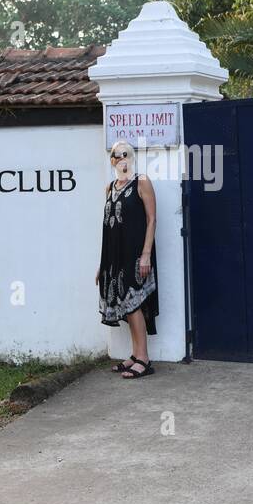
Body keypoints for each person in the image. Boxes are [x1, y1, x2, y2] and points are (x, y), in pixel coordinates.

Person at [95, 140, 158, 379]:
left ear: (131, 157)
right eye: (115, 155)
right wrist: (102, 265)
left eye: (124, 154)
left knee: (134, 304)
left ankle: (144, 358)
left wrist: (146, 254)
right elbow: (108, 229)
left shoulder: (142, 182)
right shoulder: (110, 187)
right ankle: (135, 354)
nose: (120, 158)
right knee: (125, 304)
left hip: (135, 254)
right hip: (114, 256)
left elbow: (152, 219)